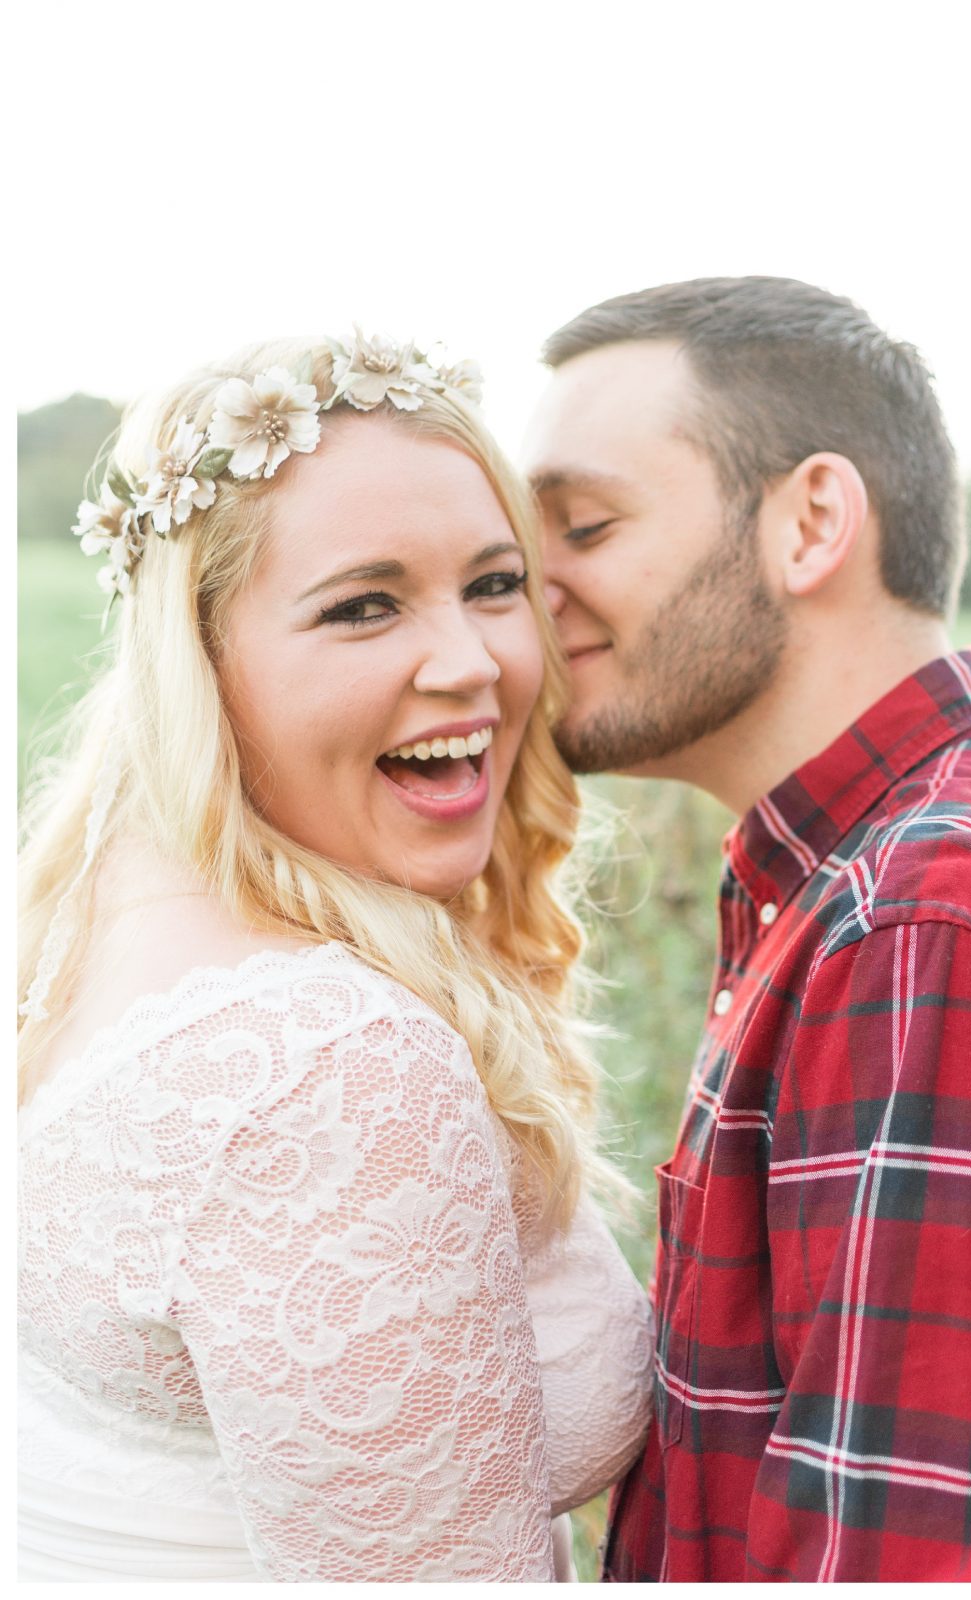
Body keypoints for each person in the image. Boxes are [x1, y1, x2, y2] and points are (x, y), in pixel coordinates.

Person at [17, 328, 653, 1582]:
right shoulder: (330, 1072)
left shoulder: (89, 912)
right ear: (197, 662)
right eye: (364, 604)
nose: (471, 661)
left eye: (493, 583)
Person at [523, 276, 971, 1582]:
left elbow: (909, 1562)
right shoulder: (864, 876)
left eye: (583, 525)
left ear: (811, 520)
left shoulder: (927, 918)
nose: (525, 591)